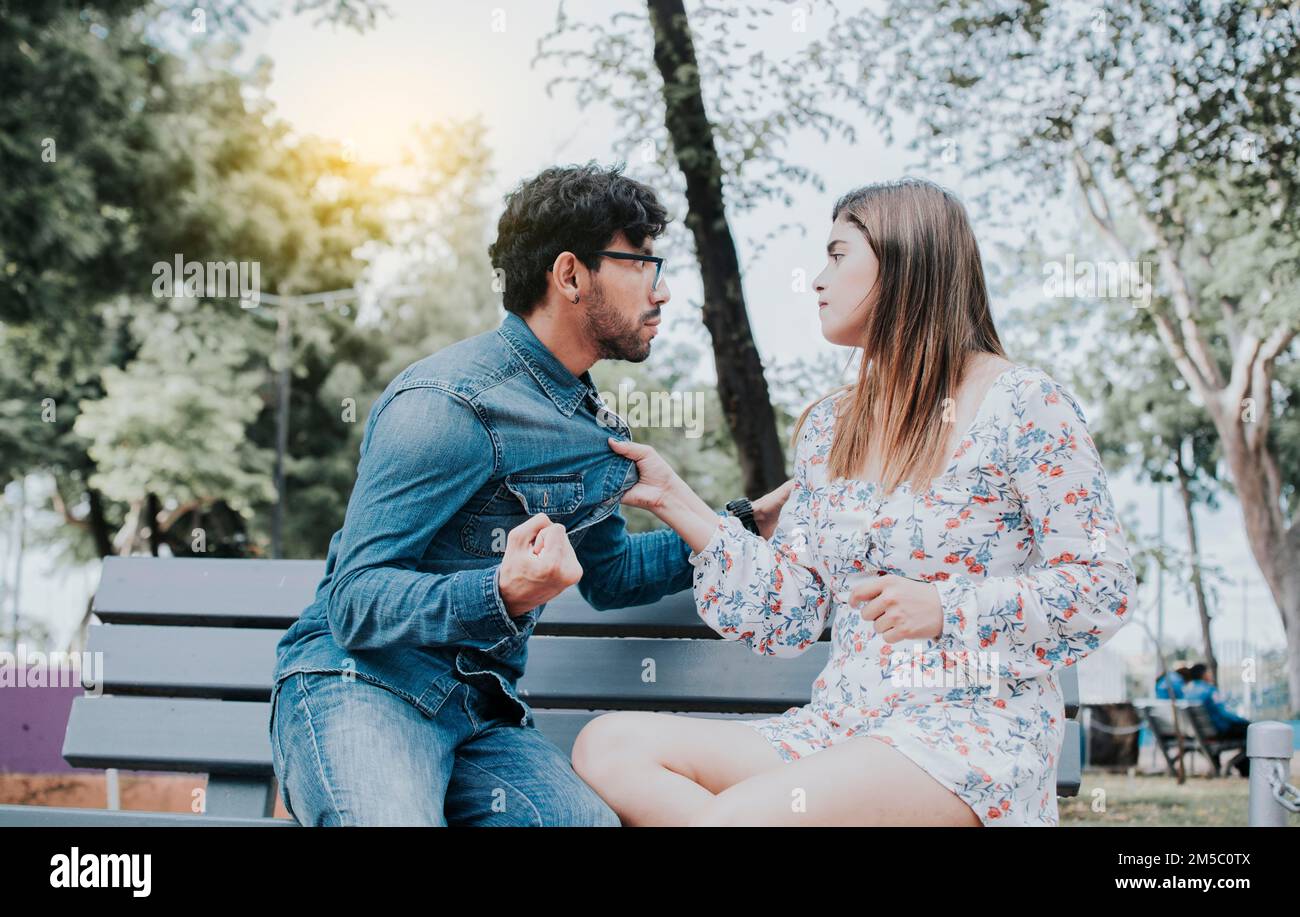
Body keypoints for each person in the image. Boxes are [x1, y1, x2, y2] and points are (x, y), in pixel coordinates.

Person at [572, 177, 1138, 826]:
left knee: (732, 819)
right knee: (609, 747)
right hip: (841, 725)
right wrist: (676, 500)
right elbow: (790, 615)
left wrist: (946, 606)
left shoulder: (1024, 403)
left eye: (838, 255)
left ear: (904, 263)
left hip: (970, 736)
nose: (817, 279)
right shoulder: (830, 427)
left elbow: (1104, 586)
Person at [269, 162, 792, 825]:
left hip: (483, 716)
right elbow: (354, 603)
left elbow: (611, 574)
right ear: (571, 275)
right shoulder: (445, 403)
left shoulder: (591, 430)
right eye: (640, 265)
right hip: (362, 685)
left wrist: (741, 527)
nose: (661, 293)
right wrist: (501, 592)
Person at [1181, 663, 1252, 776]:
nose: (1210, 674)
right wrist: (1244, 721)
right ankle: (1242, 767)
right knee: (1250, 730)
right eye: (1208, 672)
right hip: (1218, 731)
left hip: (1200, 733)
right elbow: (1223, 714)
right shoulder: (1210, 690)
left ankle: (1220, 765)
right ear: (1203, 675)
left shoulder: (1187, 692)